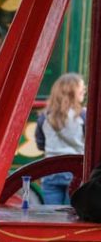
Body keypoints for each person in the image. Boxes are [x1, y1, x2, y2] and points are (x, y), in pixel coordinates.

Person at [37, 73, 86, 204]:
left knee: (51, 214)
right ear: (71, 91)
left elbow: (40, 144)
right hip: (75, 170)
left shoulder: (45, 116)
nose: (84, 90)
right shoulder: (82, 115)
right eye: (81, 88)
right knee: (73, 214)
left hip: (51, 170)